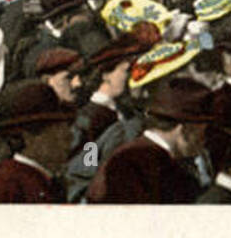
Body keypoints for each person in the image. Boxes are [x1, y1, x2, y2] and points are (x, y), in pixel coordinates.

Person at [87, 76, 213, 204]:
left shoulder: (140, 158)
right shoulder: (133, 164)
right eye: (204, 131)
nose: (205, 139)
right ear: (185, 130)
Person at [0, 80, 75, 203]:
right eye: (57, 130)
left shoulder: (43, 180)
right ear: (29, 137)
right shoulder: (9, 184)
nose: (69, 136)